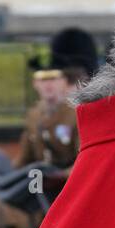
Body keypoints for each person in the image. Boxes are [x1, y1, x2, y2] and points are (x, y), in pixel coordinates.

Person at [14, 69, 79, 197]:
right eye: (43, 80)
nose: (48, 85)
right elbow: (24, 158)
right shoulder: (33, 115)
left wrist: (61, 176)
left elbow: (83, 157)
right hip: (40, 182)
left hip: (68, 182)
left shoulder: (76, 113)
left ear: (64, 82)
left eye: (54, 79)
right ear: (35, 84)